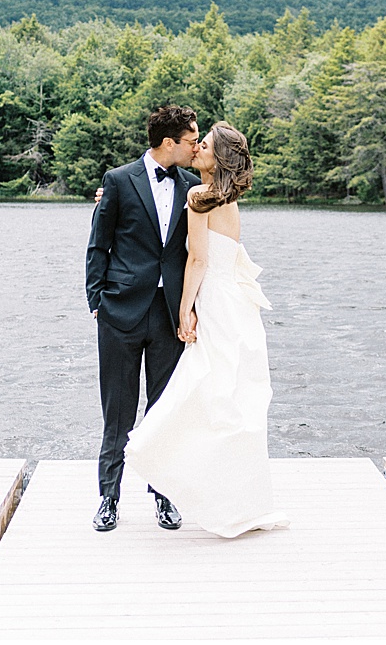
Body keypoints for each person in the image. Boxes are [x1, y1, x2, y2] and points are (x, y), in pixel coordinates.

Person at [124, 121, 290, 538]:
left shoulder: (200, 196)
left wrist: (185, 311)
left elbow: (198, 261)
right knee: (231, 400)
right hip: (237, 305)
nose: (196, 147)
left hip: (215, 302)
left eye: (206, 145)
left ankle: (188, 478)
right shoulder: (227, 200)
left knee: (205, 392)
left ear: (218, 159)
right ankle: (236, 499)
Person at [85, 104, 201, 532]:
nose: (196, 147)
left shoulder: (193, 186)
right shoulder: (117, 181)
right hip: (120, 311)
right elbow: (98, 244)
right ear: (169, 142)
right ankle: (108, 498)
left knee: (164, 410)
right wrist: (96, 301)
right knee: (117, 411)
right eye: (191, 140)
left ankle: (164, 495)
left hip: (170, 313)